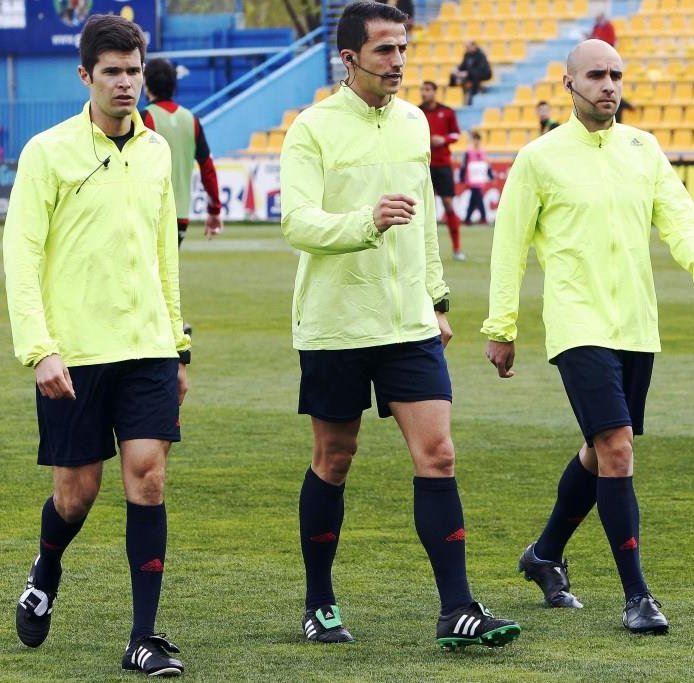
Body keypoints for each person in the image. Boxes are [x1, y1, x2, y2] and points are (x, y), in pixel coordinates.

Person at [280, 0, 521, 650]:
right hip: (336, 324)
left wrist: (436, 300)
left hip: (409, 324)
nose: (398, 61)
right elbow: (296, 221)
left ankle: (457, 608)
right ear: (349, 58)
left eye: (403, 49)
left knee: (438, 453)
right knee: (334, 458)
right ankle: (319, 601)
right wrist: (365, 222)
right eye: (384, 50)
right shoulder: (312, 128)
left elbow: (422, 225)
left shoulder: (414, 122)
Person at [482, 39, 694, 636]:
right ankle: (637, 597)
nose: (609, 85)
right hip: (577, 324)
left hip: (637, 325)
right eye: (596, 74)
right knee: (618, 448)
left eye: (616, 74)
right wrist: (501, 326)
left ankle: (544, 555)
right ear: (568, 84)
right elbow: (509, 248)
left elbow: (679, 217)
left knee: (601, 451)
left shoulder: (644, 149)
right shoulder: (539, 158)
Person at [3, 14, 191, 676]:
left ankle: (143, 637)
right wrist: (40, 348)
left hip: (148, 348)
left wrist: (178, 344)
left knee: (149, 476)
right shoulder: (47, 152)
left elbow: (164, 254)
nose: (126, 82)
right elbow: (21, 256)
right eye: (112, 71)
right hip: (74, 355)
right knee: (75, 496)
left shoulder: (158, 150)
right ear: (86, 75)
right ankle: (47, 566)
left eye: (134, 70)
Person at [142, 57, 223, 246]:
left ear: (146, 85)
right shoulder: (191, 120)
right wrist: (214, 210)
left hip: (150, 214)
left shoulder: (143, 119)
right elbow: (207, 168)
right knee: (168, 266)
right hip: (181, 216)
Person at [420, 80, 465, 259]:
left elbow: (456, 134)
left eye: (427, 90)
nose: (424, 93)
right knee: (422, 208)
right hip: (423, 165)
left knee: (448, 205)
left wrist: (444, 139)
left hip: (443, 165)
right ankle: (422, 250)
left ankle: (457, 249)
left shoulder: (447, 112)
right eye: (422, 90)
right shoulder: (416, 112)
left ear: (434, 92)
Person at [460, 130, 491, 224]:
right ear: (473, 140)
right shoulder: (468, 152)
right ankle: (483, 217)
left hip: (480, 179)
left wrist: (490, 175)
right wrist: (462, 177)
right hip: (472, 178)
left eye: (478, 139)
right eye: (475, 139)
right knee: (478, 197)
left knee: (474, 198)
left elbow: (487, 165)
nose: (476, 141)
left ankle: (467, 219)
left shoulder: (483, 152)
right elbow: (464, 165)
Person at [451, 41, 492, 105]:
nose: (467, 48)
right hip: (470, 74)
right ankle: (454, 93)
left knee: (474, 75)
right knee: (454, 75)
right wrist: (457, 70)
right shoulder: (466, 55)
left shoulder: (480, 55)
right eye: (466, 47)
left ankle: (474, 94)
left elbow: (481, 68)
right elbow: (463, 66)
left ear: (474, 46)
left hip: (483, 74)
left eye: (468, 47)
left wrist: (468, 72)